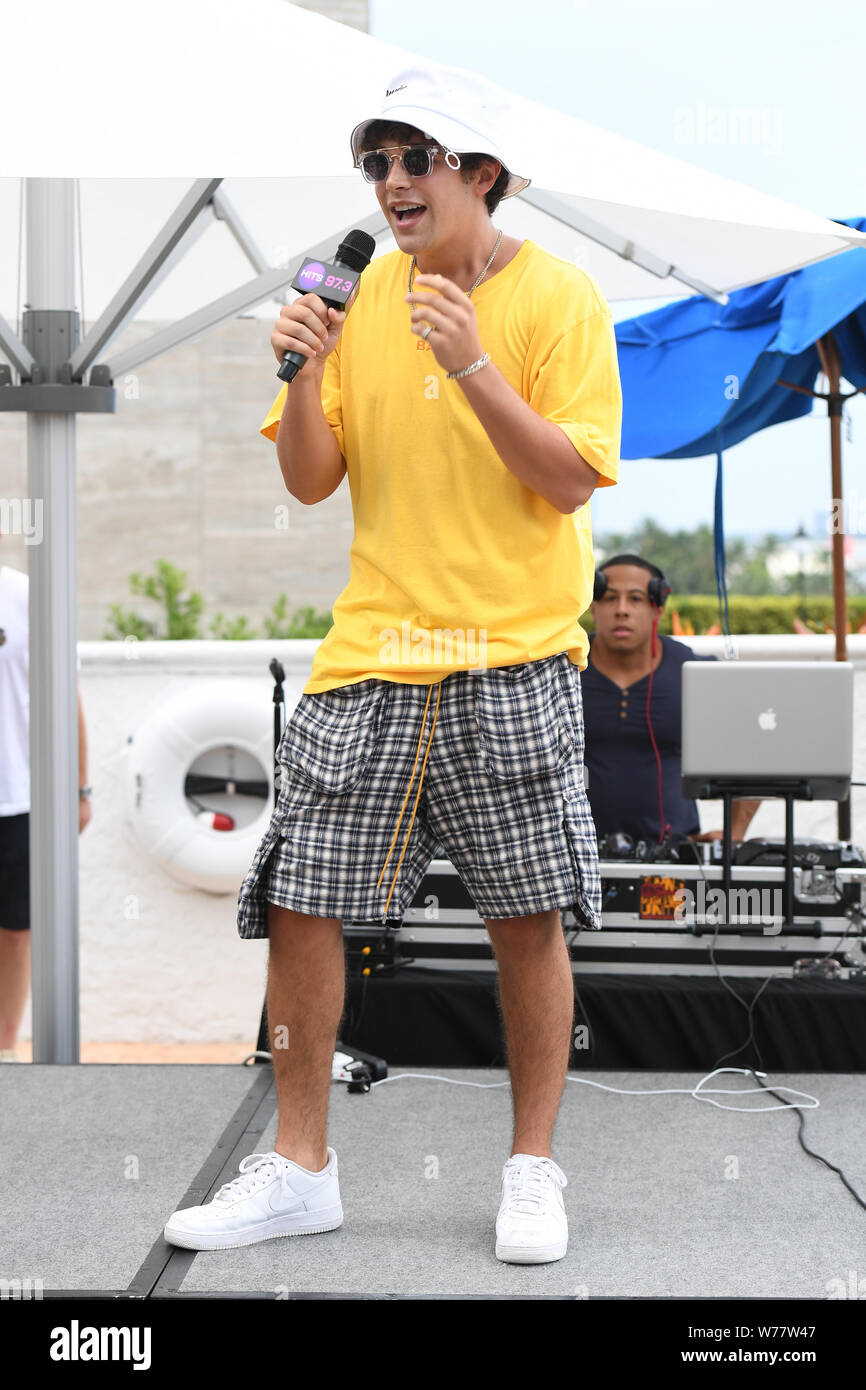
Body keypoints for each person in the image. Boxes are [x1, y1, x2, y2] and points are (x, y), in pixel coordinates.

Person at [164, 60, 622, 1265]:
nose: (392, 183)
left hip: (514, 656)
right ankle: (301, 1166)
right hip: (370, 652)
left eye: (415, 160)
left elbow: (570, 477)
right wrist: (308, 366)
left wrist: (472, 360)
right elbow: (310, 478)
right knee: (302, 898)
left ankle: (530, 1171)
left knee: (525, 917)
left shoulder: (558, 299)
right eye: (376, 164)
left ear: (480, 177)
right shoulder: (357, 298)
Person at [580, 554, 760, 847]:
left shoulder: (693, 670)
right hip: (575, 856)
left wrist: (734, 832)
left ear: (657, 607)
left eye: (635, 599)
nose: (622, 610)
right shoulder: (564, 668)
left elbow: (754, 748)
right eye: (610, 598)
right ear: (593, 605)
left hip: (675, 856)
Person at [0, 541, 91, 1062]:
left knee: (14, 931)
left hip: (19, 797)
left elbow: (65, 694)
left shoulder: (27, 597)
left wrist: (79, 788)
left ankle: (6, 1049)